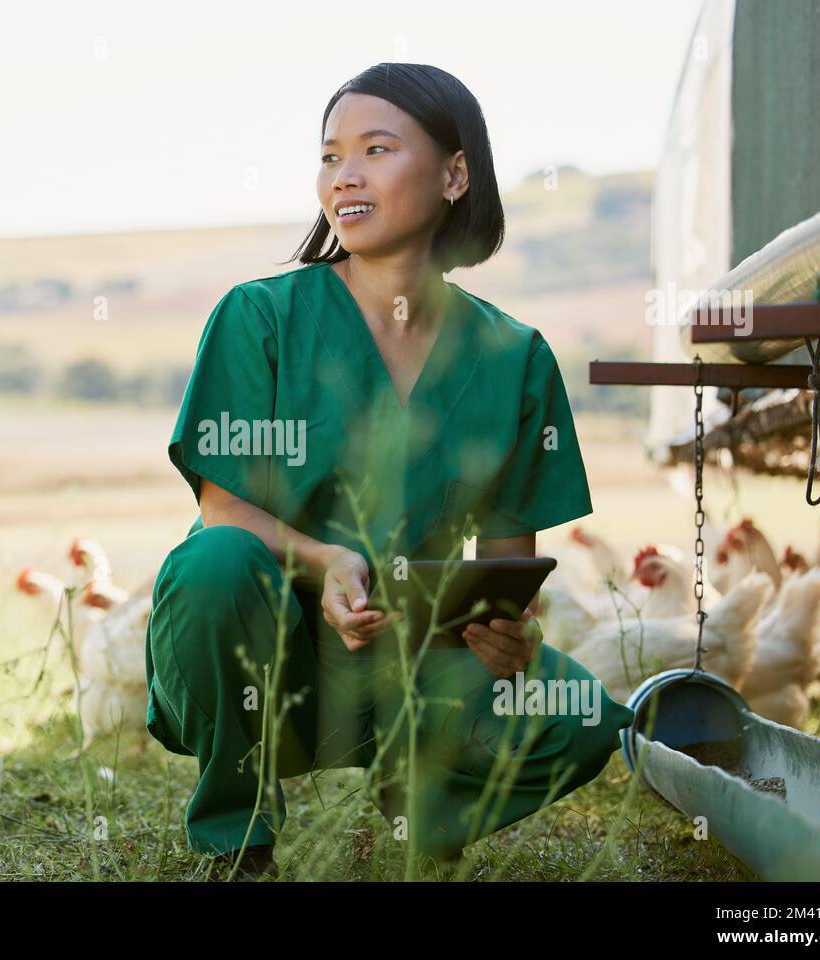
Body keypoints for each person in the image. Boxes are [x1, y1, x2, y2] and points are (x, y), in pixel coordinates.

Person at [144, 63, 633, 881]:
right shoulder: (259, 317)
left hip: (416, 672)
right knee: (213, 562)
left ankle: (420, 802)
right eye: (331, 156)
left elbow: (508, 564)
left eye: (376, 149)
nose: (346, 176)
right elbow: (226, 508)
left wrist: (508, 632)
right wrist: (328, 561)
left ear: (453, 174)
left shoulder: (515, 356)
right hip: (276, 659)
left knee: (580, 715)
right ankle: (240, 834)